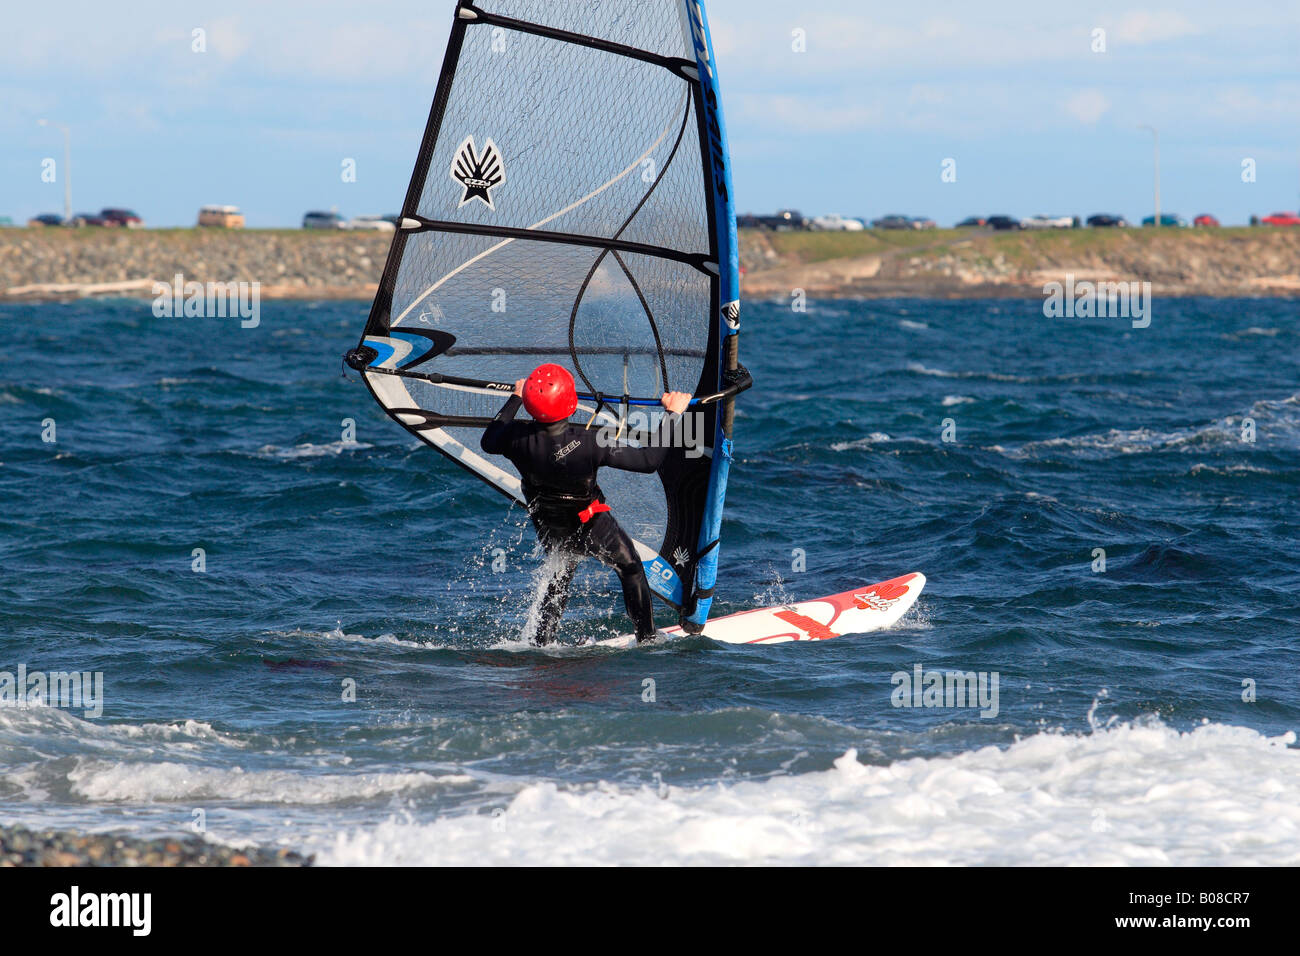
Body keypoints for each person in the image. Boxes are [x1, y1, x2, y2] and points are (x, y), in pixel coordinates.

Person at [480, 363, 691, 645]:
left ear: (530, 404)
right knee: (629, 568)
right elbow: (648, 460)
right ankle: (647, 638)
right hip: (589, 523)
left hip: (548, 521)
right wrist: (672, 414)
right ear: (572, 403)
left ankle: (542, 644)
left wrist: (516, 396)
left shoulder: (514, 438)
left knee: (561, 568)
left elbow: (489, 439)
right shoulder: (590, 442)